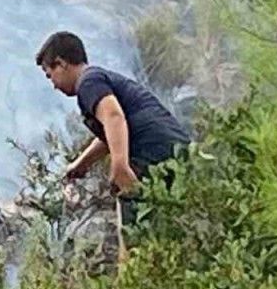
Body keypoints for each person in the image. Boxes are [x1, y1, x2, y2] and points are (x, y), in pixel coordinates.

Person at [35, 31, 191, 220]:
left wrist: (120, 166)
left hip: (153, 152)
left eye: (50, 75)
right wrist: (81, 164)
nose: (53, 85)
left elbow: (114, 118)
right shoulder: (98, 79)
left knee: (134, 221)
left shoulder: (88, 83)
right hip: (175, 149)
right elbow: (111, 133)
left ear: (61, 63)